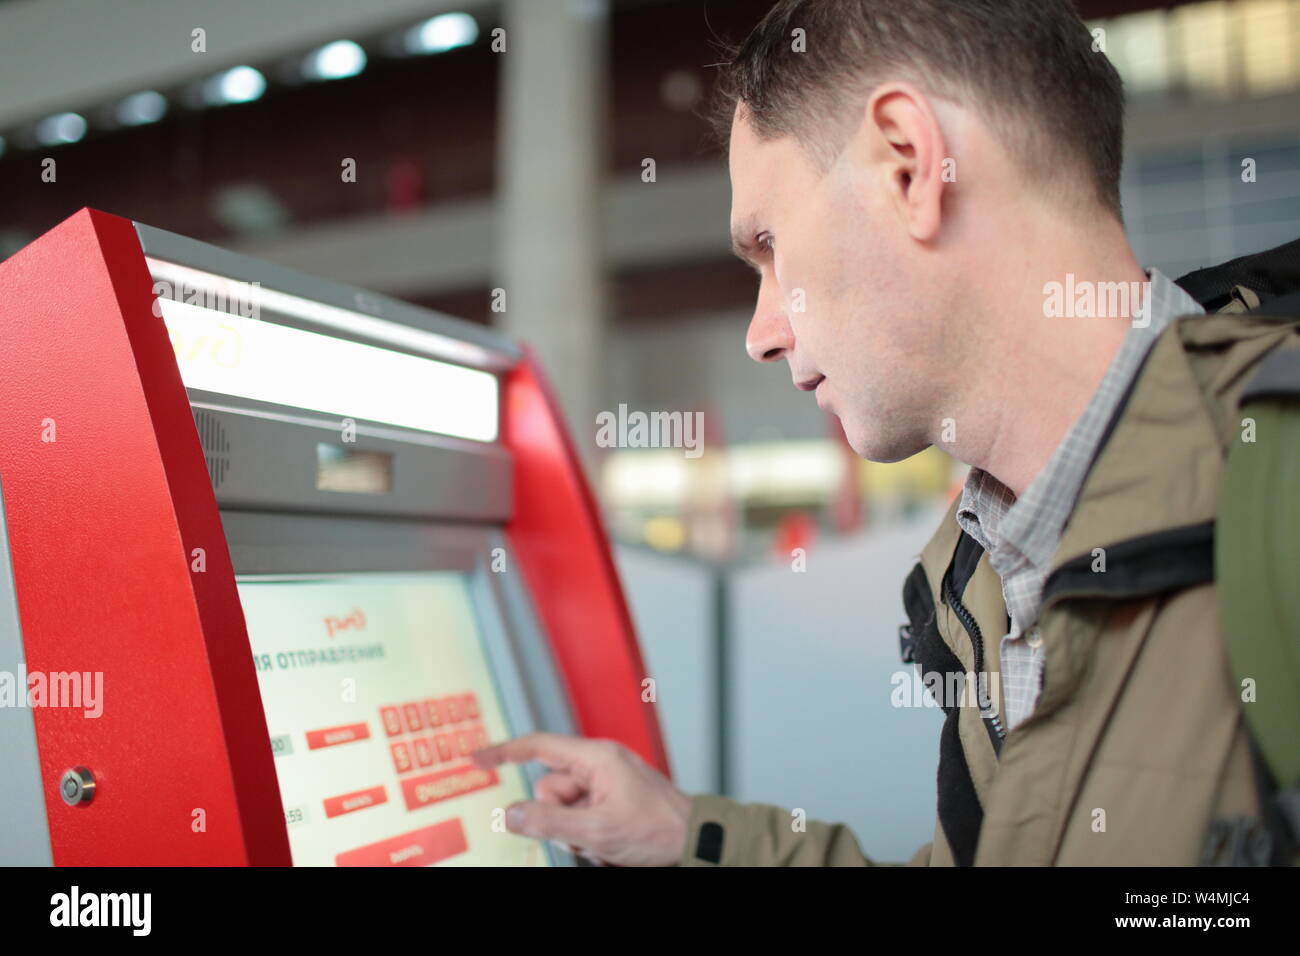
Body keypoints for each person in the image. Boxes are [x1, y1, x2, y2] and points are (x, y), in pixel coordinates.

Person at [473, 0, 1300, 865]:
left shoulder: (1272, 502)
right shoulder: (987, 568)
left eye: (769, 245)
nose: (760, 335)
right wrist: (687, 837)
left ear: (909, 165)